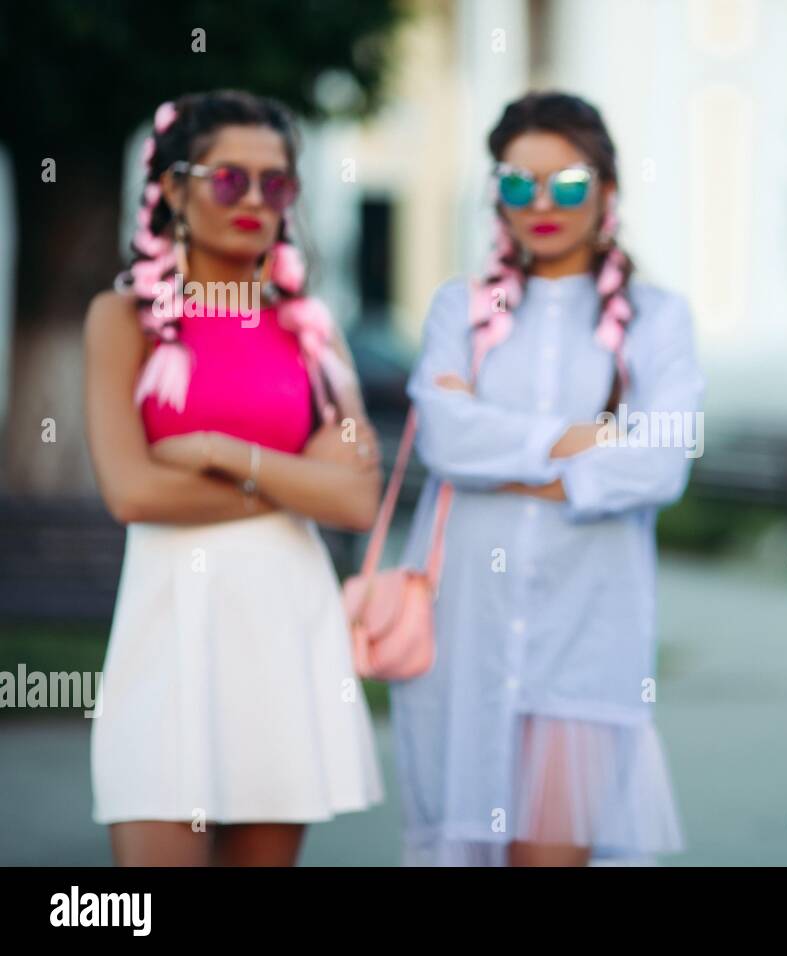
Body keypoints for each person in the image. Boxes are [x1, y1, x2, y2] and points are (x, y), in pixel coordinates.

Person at [391, 91, 704, 866]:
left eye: (565, 183)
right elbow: (444, 437)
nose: (541, 204)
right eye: (515, 183)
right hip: (466, 631)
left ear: (606, 190)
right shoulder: (458, 309)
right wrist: (590, 442)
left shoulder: (657, 317)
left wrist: (503, 453)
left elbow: (663, 460)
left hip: (588, 631)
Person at [83, 90, 384, 866]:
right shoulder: (122, 321)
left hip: (284, 628)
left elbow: (354, 496)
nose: (254, 200)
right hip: (167, 625)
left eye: (275, 183)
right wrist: (291, 481)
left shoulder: (310, 330)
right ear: (176, 188)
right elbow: (133, 493)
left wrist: (224, 450)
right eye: (228, 179)